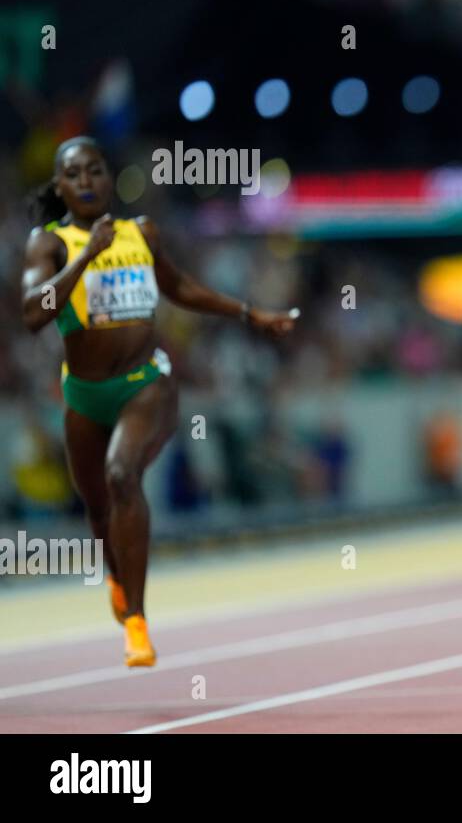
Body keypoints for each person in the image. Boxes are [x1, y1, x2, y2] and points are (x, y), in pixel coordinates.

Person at [21, 136, 297, 667]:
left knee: (123, 475)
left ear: (109, 178)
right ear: (59, 186)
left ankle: (139, 623)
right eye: (73, 174)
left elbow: (182, 289)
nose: (85, 182)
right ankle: (118, 581)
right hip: (83, 393)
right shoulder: (48, 243)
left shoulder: (139, 233)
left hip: (147, 382)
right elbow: (35, 313)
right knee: (98, 509)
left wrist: (248, 313)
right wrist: (87, 258)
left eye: (95, 171)